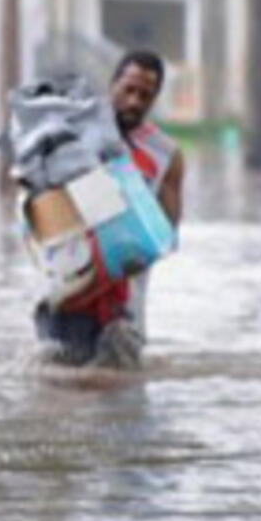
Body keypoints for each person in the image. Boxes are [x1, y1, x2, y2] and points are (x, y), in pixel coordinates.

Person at [36, 49, 184, 368]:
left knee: (121, 396)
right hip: (71, 289)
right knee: (57, 388)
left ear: (155, 99)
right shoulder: (72, 134)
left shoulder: (167, 155)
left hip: (125, 302)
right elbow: (37, 206)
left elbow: (168, 236)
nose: (134, 101)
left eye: (145, 95)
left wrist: (140, 245)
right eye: (128, 90)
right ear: (113, 85)